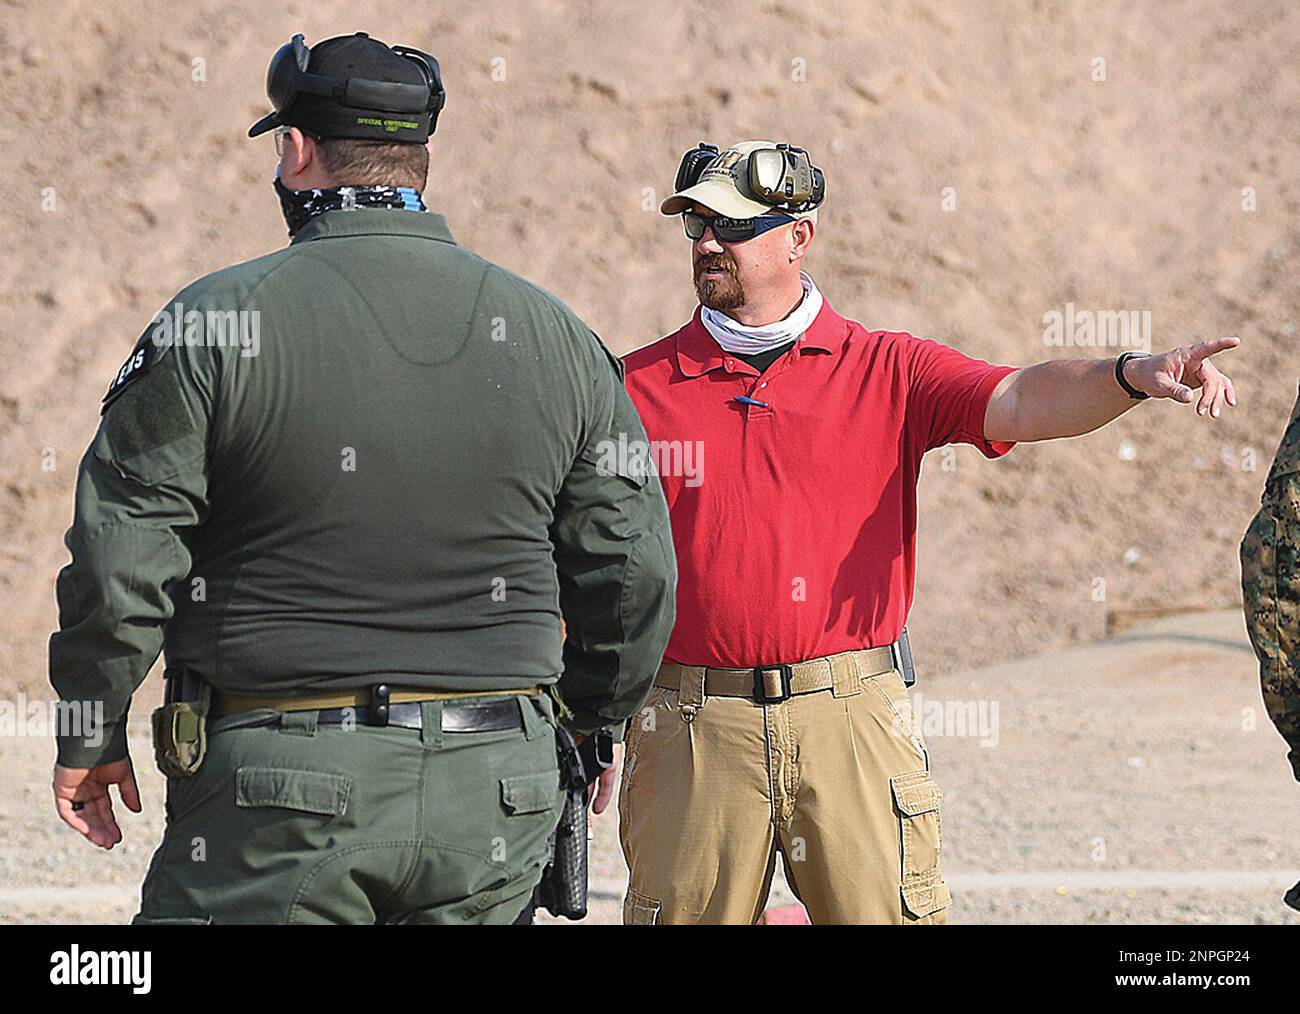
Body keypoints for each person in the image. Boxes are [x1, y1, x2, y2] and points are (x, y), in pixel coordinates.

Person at [47, 31, 674, 925]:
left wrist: (90, 722)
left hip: (277, 792)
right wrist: (590, 719)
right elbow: (636, 567)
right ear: (419, 156)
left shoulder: (217, 321)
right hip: (497, 785)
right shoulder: (558, 335)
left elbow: (125, 553)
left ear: (296, 149)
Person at [617, 138, 1239, 924]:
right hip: (689, 724)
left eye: (733, 226)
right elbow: (589, 560)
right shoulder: (630, 385)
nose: (708, 243)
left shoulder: (887, 367)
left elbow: (1018, 398)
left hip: (851, 718)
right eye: (697, 224)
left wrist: (1129, 375)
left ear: (798, 236)